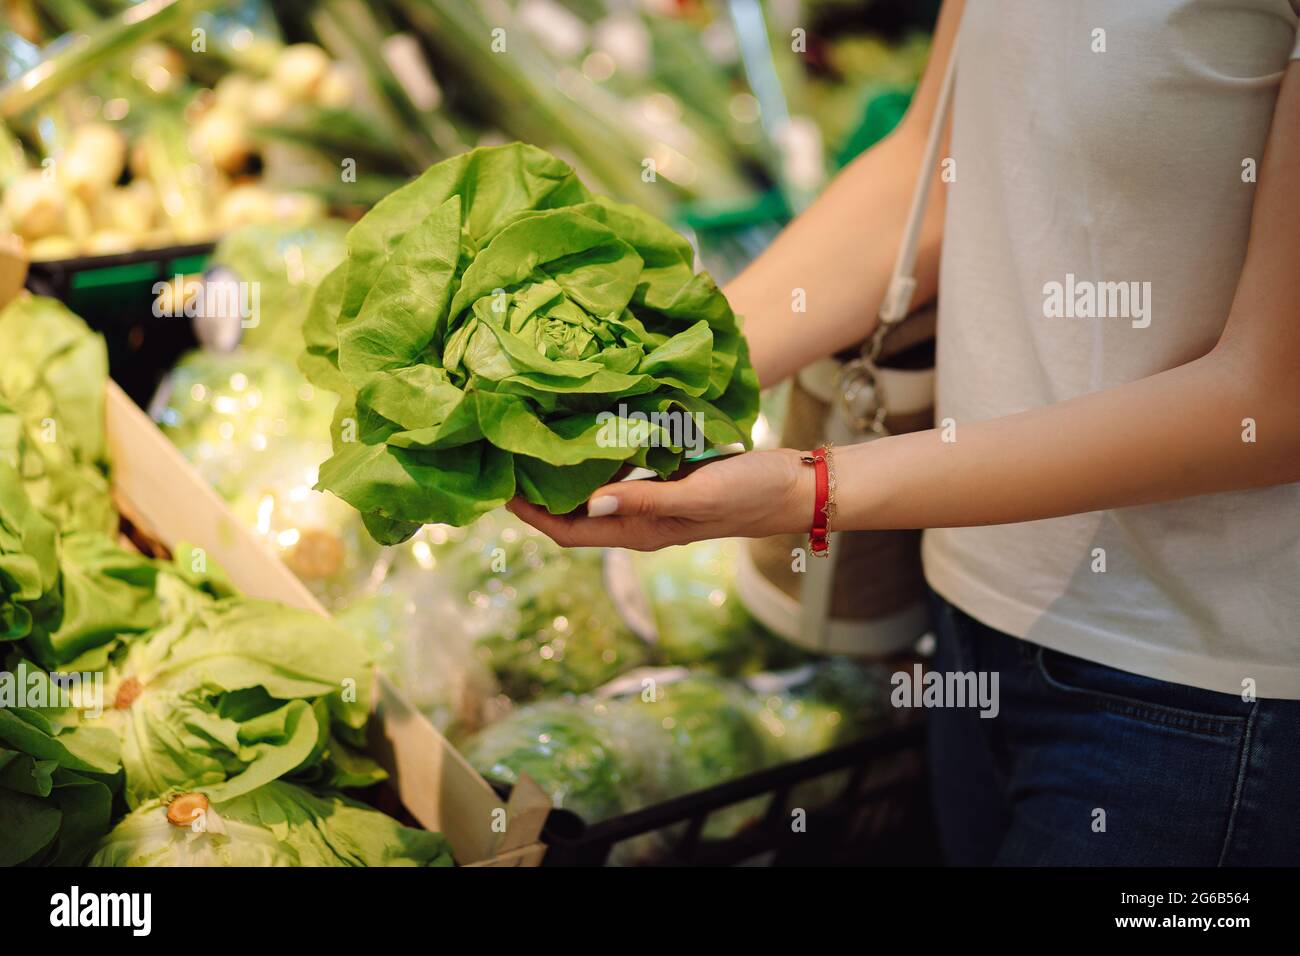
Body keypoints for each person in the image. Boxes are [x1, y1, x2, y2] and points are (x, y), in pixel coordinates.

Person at [509, 0, 1300, 865]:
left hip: (1194, 699)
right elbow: (934, 170)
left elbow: (1273, 401)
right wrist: (645, 386)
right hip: (970, 613)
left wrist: (810, 490)